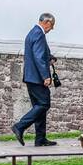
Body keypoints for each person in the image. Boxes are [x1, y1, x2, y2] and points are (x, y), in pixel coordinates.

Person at [12, 13, 59, 147]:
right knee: (44, 104)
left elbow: (38, 53)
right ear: (47, 23)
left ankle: (40, 138)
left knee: (39, 107)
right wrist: (46, 76)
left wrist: (49, 57)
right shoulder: (39, 34)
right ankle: (20, 126)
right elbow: (38, 57)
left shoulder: (32, 32)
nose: (52, 29)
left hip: (30, 77)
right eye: (52, 25)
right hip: (37, 77)